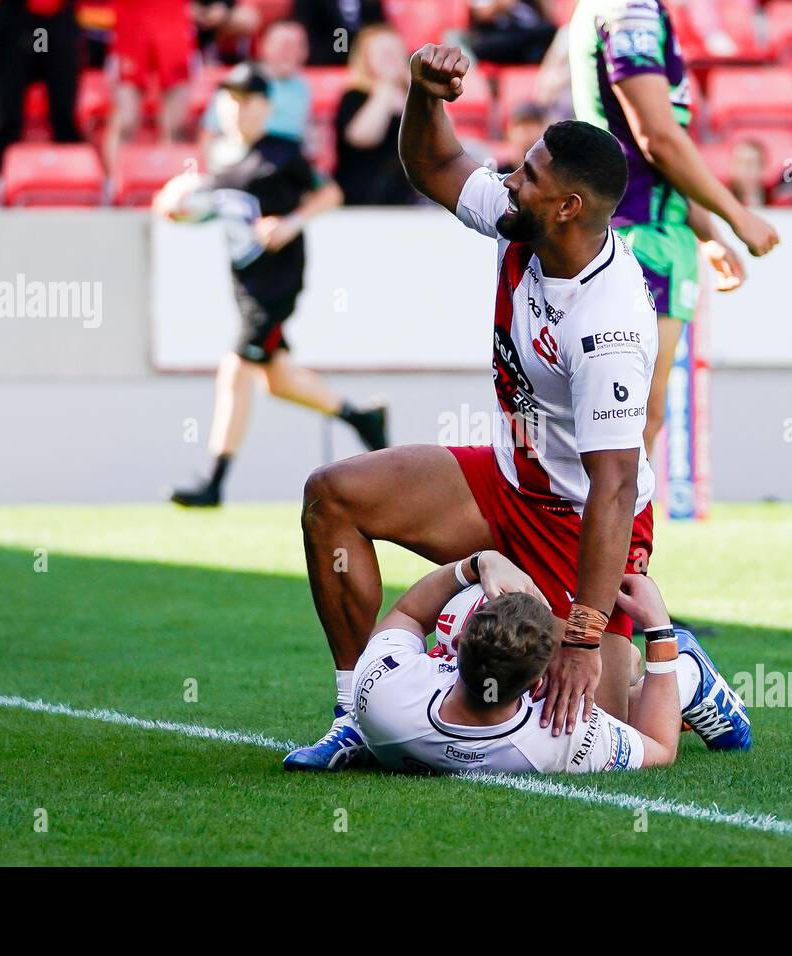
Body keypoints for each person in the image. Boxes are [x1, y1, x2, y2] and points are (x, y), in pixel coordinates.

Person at [287, 44, 662, 771]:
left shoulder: (606, 323)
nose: (509, 181)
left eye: (529, 175)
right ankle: (351, 711)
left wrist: (584, 636)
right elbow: (432, 165)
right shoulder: (525, 219)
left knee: (589, 728)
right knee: (333, 497)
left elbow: (613, 485)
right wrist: (425, 95)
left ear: (568, 207)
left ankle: (682, 675)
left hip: (578, 517)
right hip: (501, 482)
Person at [285, 551, 749, 773]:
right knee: (623, 688)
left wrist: (476, 564)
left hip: (394, 719)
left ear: (457, 642)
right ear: (543, 679)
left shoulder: (382, 694)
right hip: (555, 703)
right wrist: (661, 630)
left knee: (620, 670)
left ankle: (351, 735)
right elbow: (661, 748)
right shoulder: (564, 736)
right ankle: (690, 675)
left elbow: (407, 613)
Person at [156, 63, 387, 508]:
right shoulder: (220, 159)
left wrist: (290, 222)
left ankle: (214, 482)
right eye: (230, 99)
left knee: (235, 369)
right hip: (246, 288)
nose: (236, 109)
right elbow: (188, 210)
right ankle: (362, 417)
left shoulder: (281, 153)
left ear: (265, 106)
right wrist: (172, 202)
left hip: (277, 284)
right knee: (275, 379)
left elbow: (330, 194)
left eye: (247, 100)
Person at [568, 0, 778, 456]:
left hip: (657, 230)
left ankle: (614, 528)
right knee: (624, 421)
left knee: (638, 417)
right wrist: (737, 216)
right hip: (634, 236)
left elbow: (661, 154)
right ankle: (593, 529)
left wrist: (708, 234)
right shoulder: (628, 7)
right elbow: (657, 138)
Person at [201, 19, 310, 169]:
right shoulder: (241, 77)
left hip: (285, 162)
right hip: (242, 155)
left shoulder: (302, 87)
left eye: (297, 46)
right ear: (264, 46)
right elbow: (210, 131)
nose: (290, 52)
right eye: (284, 45)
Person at [0, 0, 82, 170]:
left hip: (57, 19)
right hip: (18, 20)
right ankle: (4, 173)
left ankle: (72, 173)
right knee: (9, 106)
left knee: (64, 107)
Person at [104, 0, 194, 168]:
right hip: (131, 24)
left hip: (172, 20)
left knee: (175, 126)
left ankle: (170, 183)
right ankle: (114, 184)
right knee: (126, 119)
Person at [333, 24, 415, 206]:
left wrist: (419, 89)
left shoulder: (415, 97)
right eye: (384, 53)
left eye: (396, 52)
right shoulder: (353, 96)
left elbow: (440, 137)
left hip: (407, 196)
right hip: (365, 194)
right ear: (365, 59)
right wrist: (385, 88)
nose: (392, 59)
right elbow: (363, 137)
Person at [294, 0, 386, 67]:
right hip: (324, 61)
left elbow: (378, 28)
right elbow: (307, 33)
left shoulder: (371, 4)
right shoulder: (311, 4)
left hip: (365, 58)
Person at [468, 0, 558, 66]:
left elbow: (548, 18)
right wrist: (500, 5)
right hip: (494, 37)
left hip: (523, 38)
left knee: (548, 32)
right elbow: (482, 14)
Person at [498, 101, 549, 174]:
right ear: (509, 131)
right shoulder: (498, 175)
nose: (526, 130)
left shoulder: (552, 174)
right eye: (521, 124)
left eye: (532, 123)